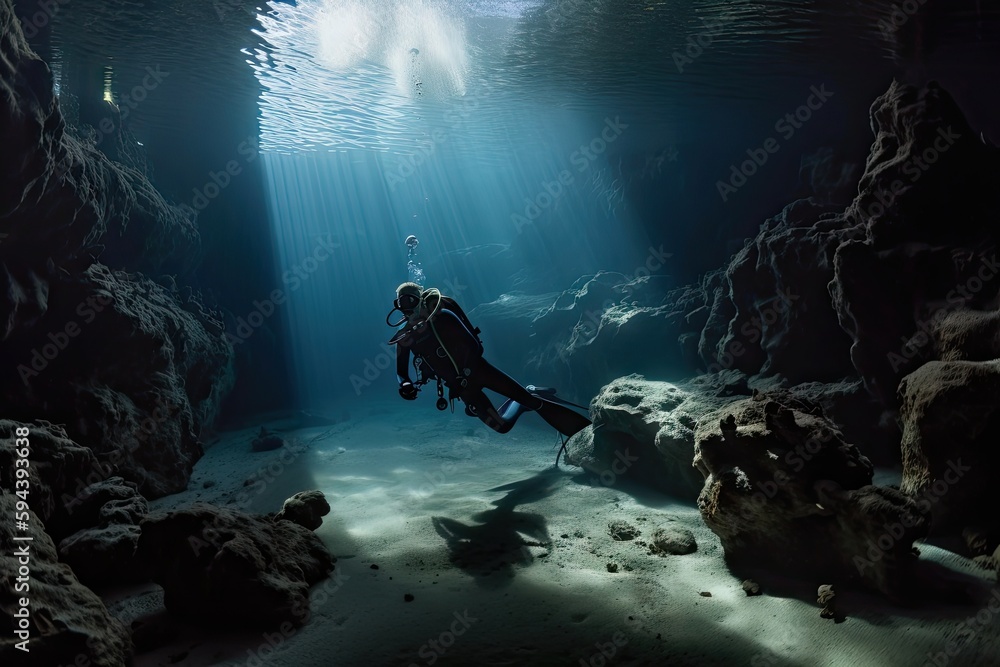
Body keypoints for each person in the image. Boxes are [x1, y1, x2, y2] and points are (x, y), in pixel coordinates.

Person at [387, 282, 591, 438]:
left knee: (534, 403)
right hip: (462, 388)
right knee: (501, 427)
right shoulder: (404, 337)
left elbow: (475, 346)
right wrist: (405, 385)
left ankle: (587, 433)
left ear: (421, 299)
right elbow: (401, 371)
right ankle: (522, 398)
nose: (406, 308)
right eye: (400, 303)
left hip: (480, 371)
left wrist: (465, 372)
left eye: (410, 301)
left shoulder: (445, 317)